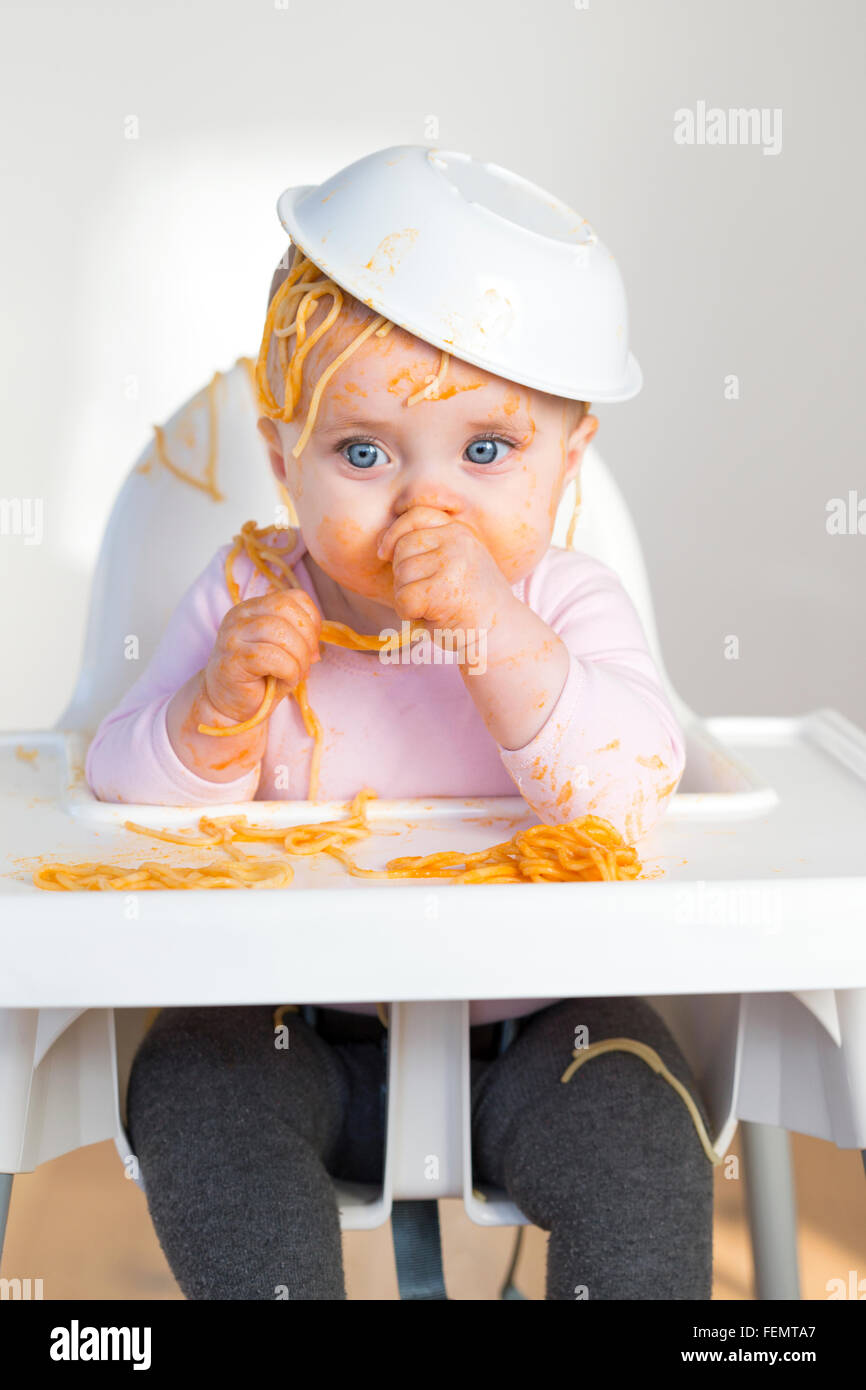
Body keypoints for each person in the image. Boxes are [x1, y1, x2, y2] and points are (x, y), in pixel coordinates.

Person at [87, 149, 714, 1299]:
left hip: (542, 1027)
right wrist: (211, 713)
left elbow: (624, 790)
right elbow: (119, 789)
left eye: (485, 452)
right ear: (284, 463)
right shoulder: (249, 600)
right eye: (363, 452)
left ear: (565, 463)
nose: (427, 502)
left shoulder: (564, 605)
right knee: (193, 1087)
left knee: (643, 1141)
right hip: (284, 1023)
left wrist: (488, 625)